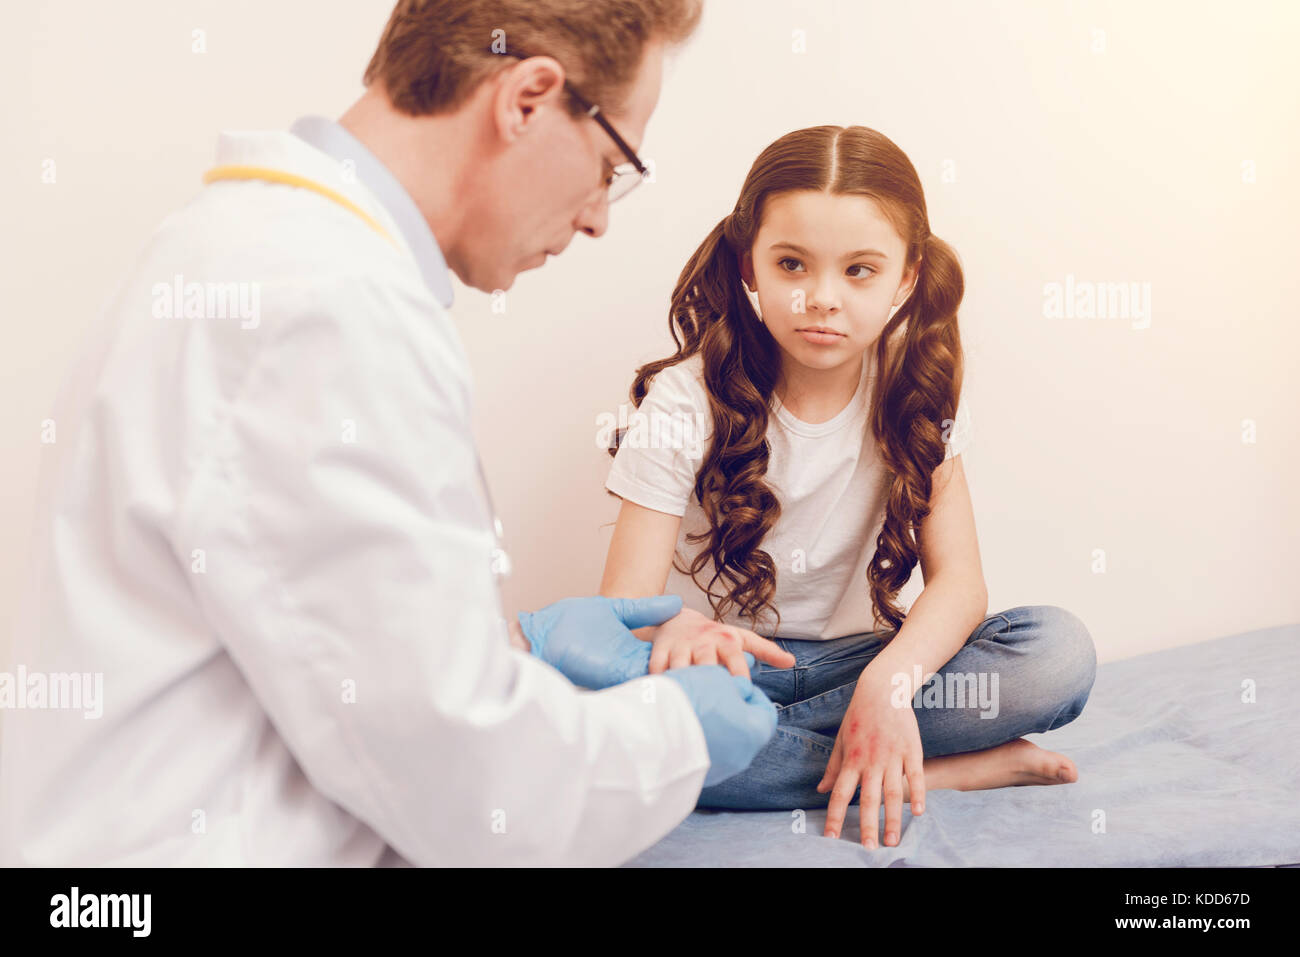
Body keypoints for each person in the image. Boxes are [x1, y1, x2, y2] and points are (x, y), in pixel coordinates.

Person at [0, 0, 788, 867]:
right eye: (611, 164)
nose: (600, 215)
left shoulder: (248, 249)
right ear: (526, 99)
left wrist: (513, 641)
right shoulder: (325, 307)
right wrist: (678, 732)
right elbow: (470, 790)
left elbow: (307, 623)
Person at [600, 125, 1099, 849]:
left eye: (859, 270)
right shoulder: (685, 400)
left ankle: (834, 746)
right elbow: (623, 610)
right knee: (615, 706)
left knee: (1059, 652)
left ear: (905, 276)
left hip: (862, 661)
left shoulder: (915, 392)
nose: (821, 298)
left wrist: (888, 685)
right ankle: (945, 769)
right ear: (751, 265)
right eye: (792, 264)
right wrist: (674, 627)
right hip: (729, 674)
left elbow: (959, 584)